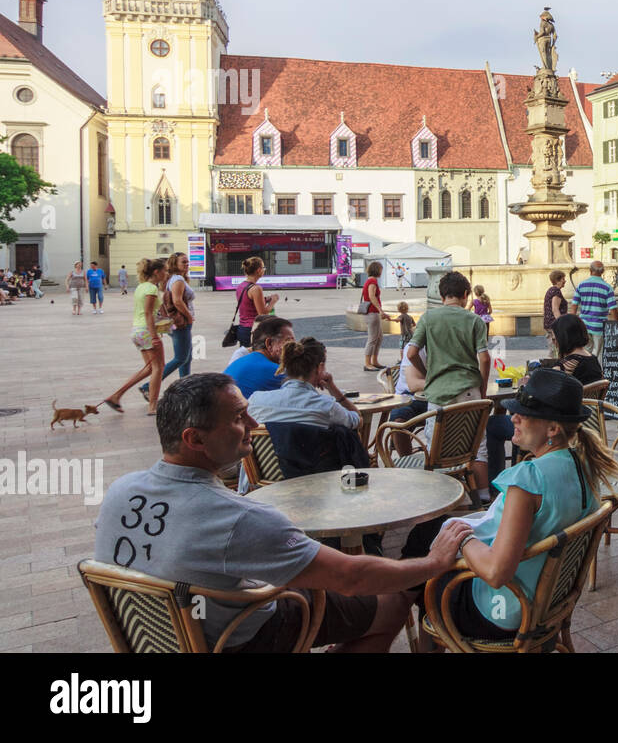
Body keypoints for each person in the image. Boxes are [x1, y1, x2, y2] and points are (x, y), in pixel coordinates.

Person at [95, 373, 472, 652]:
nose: (255, 427)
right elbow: (352, 578)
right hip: (237, 640)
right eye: (239, 417)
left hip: (160, 638)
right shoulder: (239, 518)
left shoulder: (119, 490)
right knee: (391, 603)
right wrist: (433, 563)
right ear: (195, 439)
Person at [404, 369, 618, 641]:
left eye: (524, 414)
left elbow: (495, 573)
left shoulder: (528, 480)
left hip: (503, 612)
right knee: (426, 534)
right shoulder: (584, 464)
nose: (513, 418)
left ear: (553, 429)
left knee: (426, 570)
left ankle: (389, 620)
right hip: (549, 602)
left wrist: (461, 539)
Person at [485, 314, 604, 480]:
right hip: (587, 425)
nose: (554, 343)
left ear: (564, 338)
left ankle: (494, 483)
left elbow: (536, 401)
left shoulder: (565, 366)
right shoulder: (592, 360)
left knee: (493, 424)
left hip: (553, 429)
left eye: (555, 339)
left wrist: (523, 387)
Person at [405, 270, 492, 497]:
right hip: (469, 391)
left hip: (438, 394)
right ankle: (482, 497)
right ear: (465, 295)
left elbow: (412, 352)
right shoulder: (474, 320)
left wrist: (428, 373)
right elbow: (484, 358)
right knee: (476, 447)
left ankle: (442, 498)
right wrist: (482, 389)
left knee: (437, 448)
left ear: (442, 295)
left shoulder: (428, 318)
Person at [248, 337, 361, 432]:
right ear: (319, 368)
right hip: (314, 458)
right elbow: (358, 420)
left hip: (268, 458)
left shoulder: (255, 401)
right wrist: (334, 390)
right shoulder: (327, 407)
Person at [102, 258, 170, 415]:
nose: (167, 274)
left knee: (148, 369)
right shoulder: (151, 289)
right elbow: (148, 313)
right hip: (147, 331)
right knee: (159, 368)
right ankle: (153, 406)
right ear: (156, 272)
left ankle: (116, 396)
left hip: (137, 330)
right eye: (165, 271)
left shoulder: (141, 287)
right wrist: (154, 336)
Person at [141, 252, 197, 401]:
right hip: (181, 322)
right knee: (180, 358)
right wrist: (190, 317)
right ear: (175, 264)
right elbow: (177, 301)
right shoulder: (177, 279)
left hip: (177, 323)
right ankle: (147, 386)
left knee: (187, 357)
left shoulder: (172, 279)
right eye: (183, 262)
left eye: (187, 262)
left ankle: (185, 388)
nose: (187, 265)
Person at [226, 317, 296, 398]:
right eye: (288, 341)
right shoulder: (276, 372)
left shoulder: (241, 361)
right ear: (269, 344)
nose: (294, 346)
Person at [574, 261, 618, 358]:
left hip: (584, 325)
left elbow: (574, 304)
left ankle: (585, 370)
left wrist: (573, 322)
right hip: (599, 324)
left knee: (585, 351)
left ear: (590, 271)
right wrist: (617, 323)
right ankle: (597, 372)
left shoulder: (581, 285)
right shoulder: (607, 288)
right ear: (602, 272)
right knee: (599, 353)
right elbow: (613, 308)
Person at [236, 257, 279, 348]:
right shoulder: (256, 288)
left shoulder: (241, 286)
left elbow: (248, 302)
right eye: (263, 268)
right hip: (253, 329)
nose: (264, 270)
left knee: (246, 357)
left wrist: (266, 299)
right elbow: (262, 313)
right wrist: (273, 301)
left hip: (242, 328)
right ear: (259, 270)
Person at [360, 261, 392, 371]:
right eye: (381, 269)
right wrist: (380, 310)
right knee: (373, 338)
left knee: (379, 337)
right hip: (372, 312)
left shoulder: (370, 280)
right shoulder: (372, 281)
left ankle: (374, 361)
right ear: (377, 270)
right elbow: (371, 296)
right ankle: (368, 363)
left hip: (373, 313)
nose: (382, 272)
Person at [543, 269, 568, 358]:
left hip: (549, 324)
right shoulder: (556, 291)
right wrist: (560, 324)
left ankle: (552, 367)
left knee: (553, 349)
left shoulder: (551, 290)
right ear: (558, 280)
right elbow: (555, 309)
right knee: (556, 350)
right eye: (563, 279)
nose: (565, 281)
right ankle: (554, 368)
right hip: (554, 325)